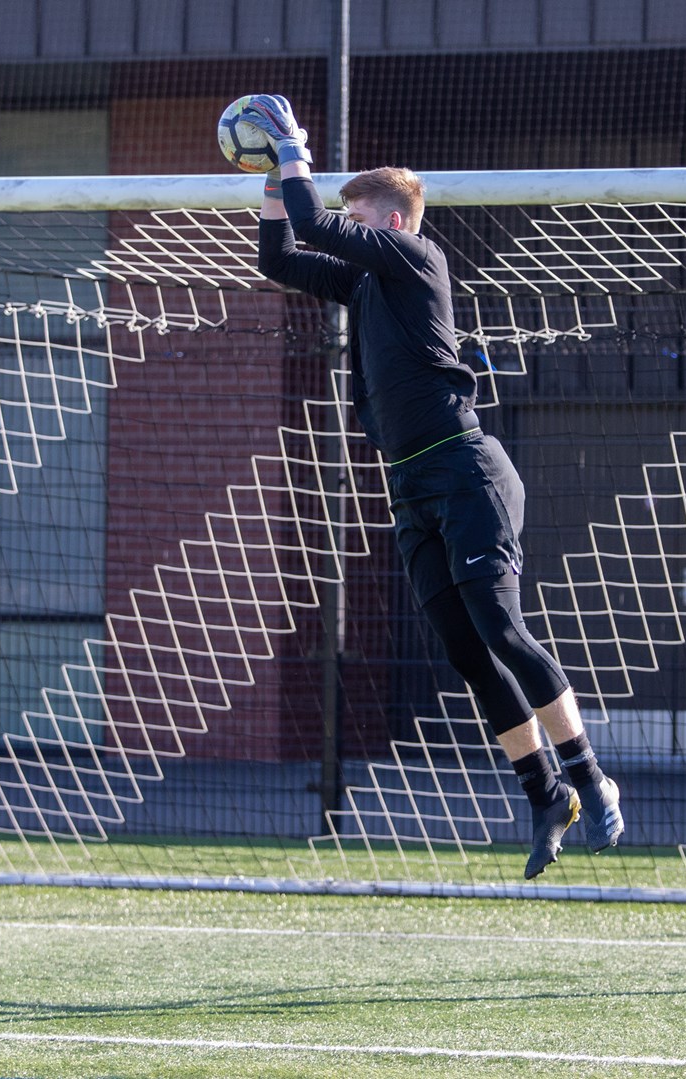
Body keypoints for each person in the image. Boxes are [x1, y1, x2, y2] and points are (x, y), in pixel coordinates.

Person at [244, 95, 622, 879]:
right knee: (462, 649)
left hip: (464, 469)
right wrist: (274, 181)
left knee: (501, 628)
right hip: (409, 484)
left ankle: (588, 774)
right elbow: (280, 257)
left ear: (388, 224)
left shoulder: (419, 261)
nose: (340, 232)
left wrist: (291, 151)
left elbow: (315, 226)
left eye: (354, 218)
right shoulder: (364, 287)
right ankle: (544, 792)